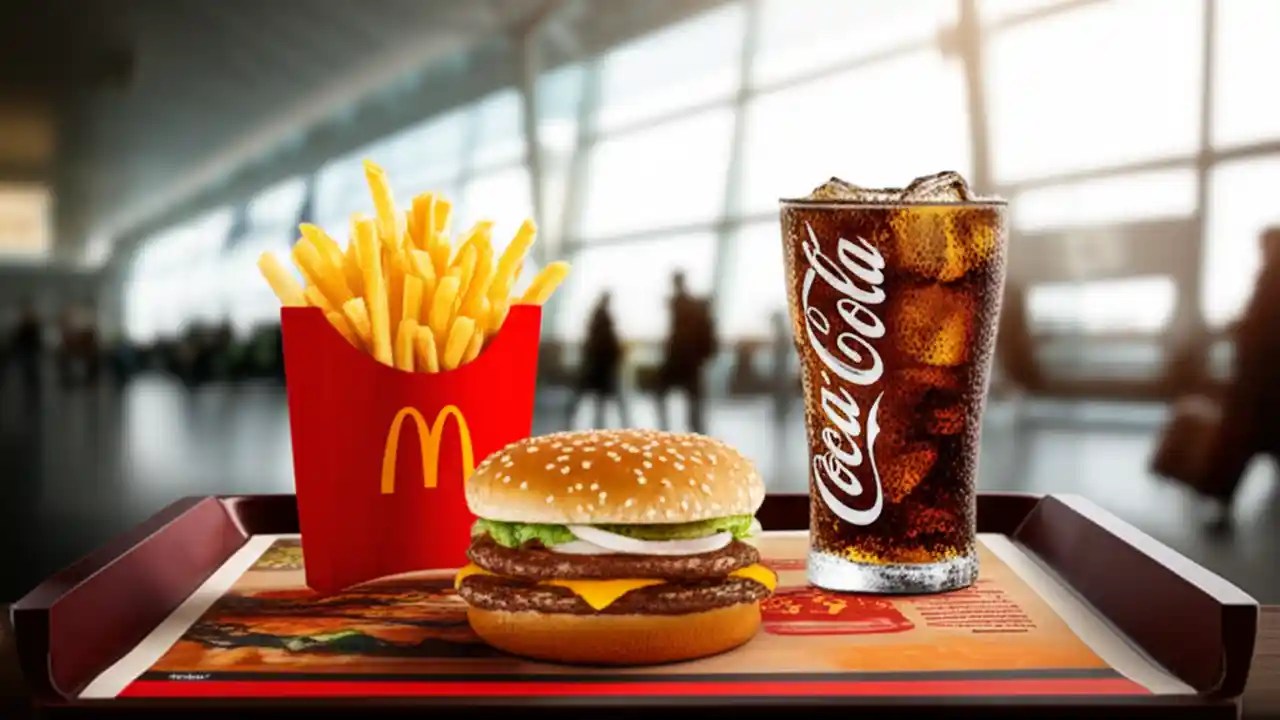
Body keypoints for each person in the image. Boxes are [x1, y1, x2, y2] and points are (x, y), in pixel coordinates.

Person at [1197, 226, 1280, 520]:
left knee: (1237, 445)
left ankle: (1221, 502)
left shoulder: (1271, 279)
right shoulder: (1269, 277)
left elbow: (1258, 328)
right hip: (1266, 383)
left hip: (1259, 384)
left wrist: (1236, 329)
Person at [656, 272, 717, 434]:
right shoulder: (692, 304)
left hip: (680, 358)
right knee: (693, 401)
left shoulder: (680, 303)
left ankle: (667, 431)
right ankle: (698, 434)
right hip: (690, 360)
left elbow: (678, 334)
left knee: (662, 393)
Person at [569, 292, 629, 428]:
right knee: (606, 396)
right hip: (602, 363)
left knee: (594, 397)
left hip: (599, 362)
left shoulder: (598, 315)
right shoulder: (603, 316)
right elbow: (608, 339)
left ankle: (578, 421)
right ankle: (619, 425)